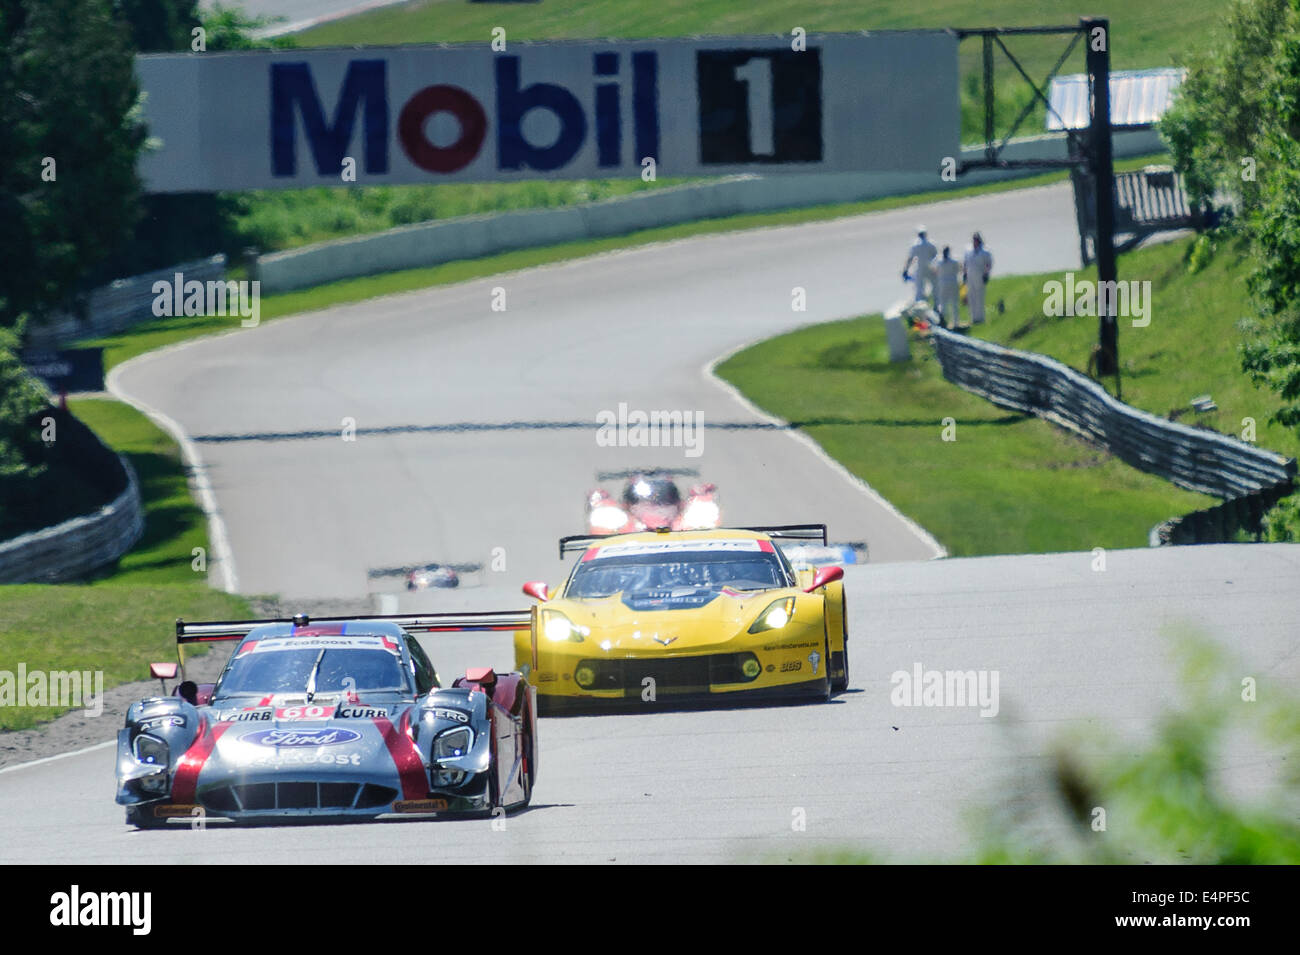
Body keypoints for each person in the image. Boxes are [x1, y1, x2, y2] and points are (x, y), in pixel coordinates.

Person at [962, 232, 993, 324]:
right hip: (970, 276)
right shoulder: (968, 250)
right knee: (971, 297)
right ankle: (973, 318)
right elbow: (965, 263)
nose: (975, 241)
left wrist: (986, 274)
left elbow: (988, 264)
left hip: (980, 275)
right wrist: (964, 274)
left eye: (976, 239)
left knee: (979, 297)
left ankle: (980, 318)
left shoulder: (985, 251)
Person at [902, 226, 937, 304]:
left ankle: (920, 305)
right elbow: (936, 256)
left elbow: (910, 258)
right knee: (935, 287)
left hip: (920, 268)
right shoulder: (931, 244)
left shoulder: (915, 245)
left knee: (919, 289)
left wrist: (905, 269)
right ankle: (936, 305)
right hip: (930, 268)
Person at [932, 246, 961, 330]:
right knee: (954, 303)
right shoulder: (954, 261)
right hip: (952, 281)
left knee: (943, 303)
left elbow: (934, 271)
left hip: (943, 283)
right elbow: (958, 269)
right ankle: (956, 322)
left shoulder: (938, 262)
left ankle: (944, 322)